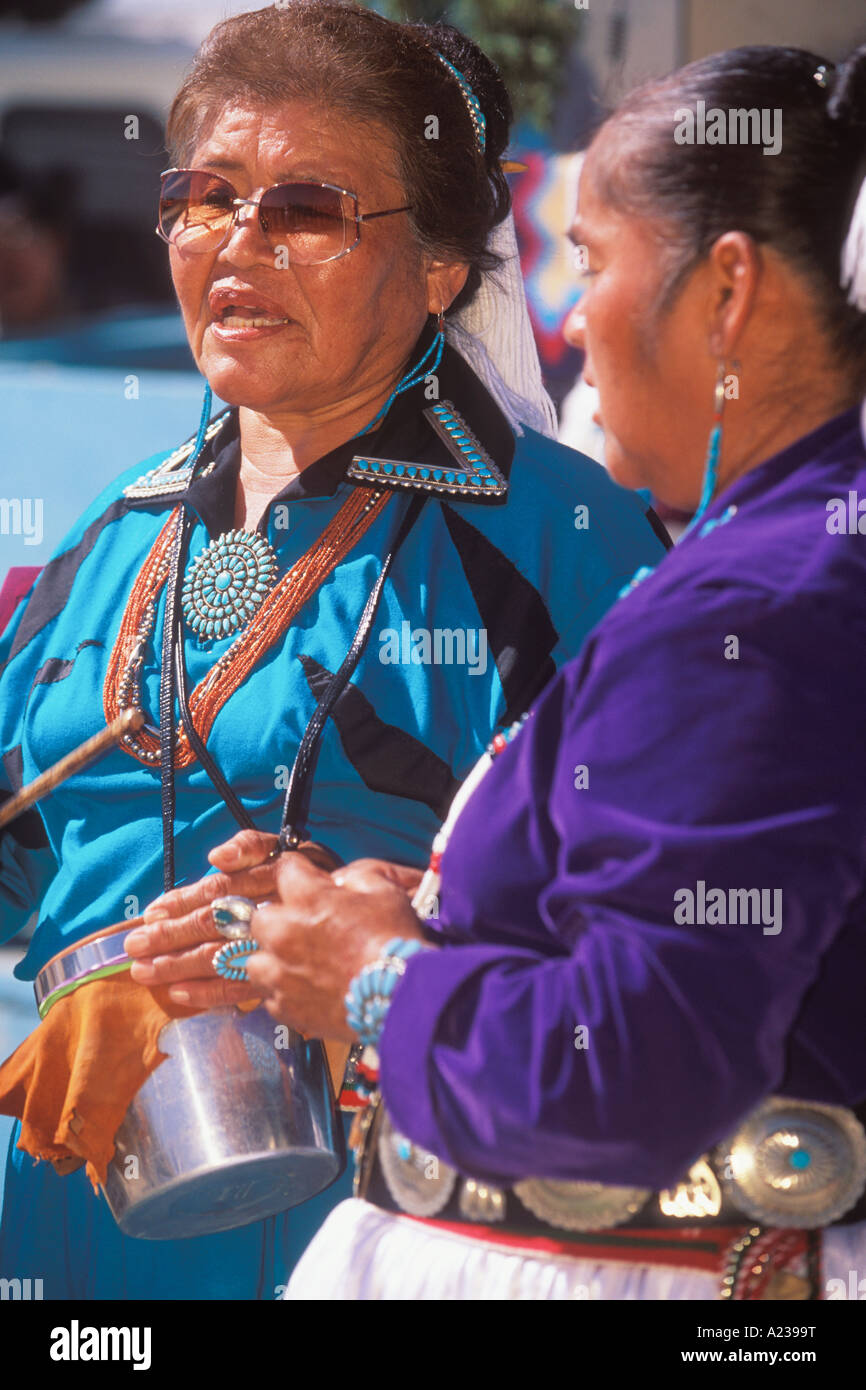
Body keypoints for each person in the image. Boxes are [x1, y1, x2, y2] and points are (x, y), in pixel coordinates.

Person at [0, 2, 664, 1301]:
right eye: (206, 197)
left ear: (433, 270)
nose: (238, 243)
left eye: (304, 209)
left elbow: (650, 940)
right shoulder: (107, 532)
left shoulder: (561, 543)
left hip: (373, 1232)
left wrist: (314, 935)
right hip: (66, 1232)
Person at [240, 42, 866, 1300]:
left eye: (592, 260)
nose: (570, 321)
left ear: (725, 290)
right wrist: (431, 918)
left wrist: (373, 978)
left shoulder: (751, 610)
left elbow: (630, 1061)